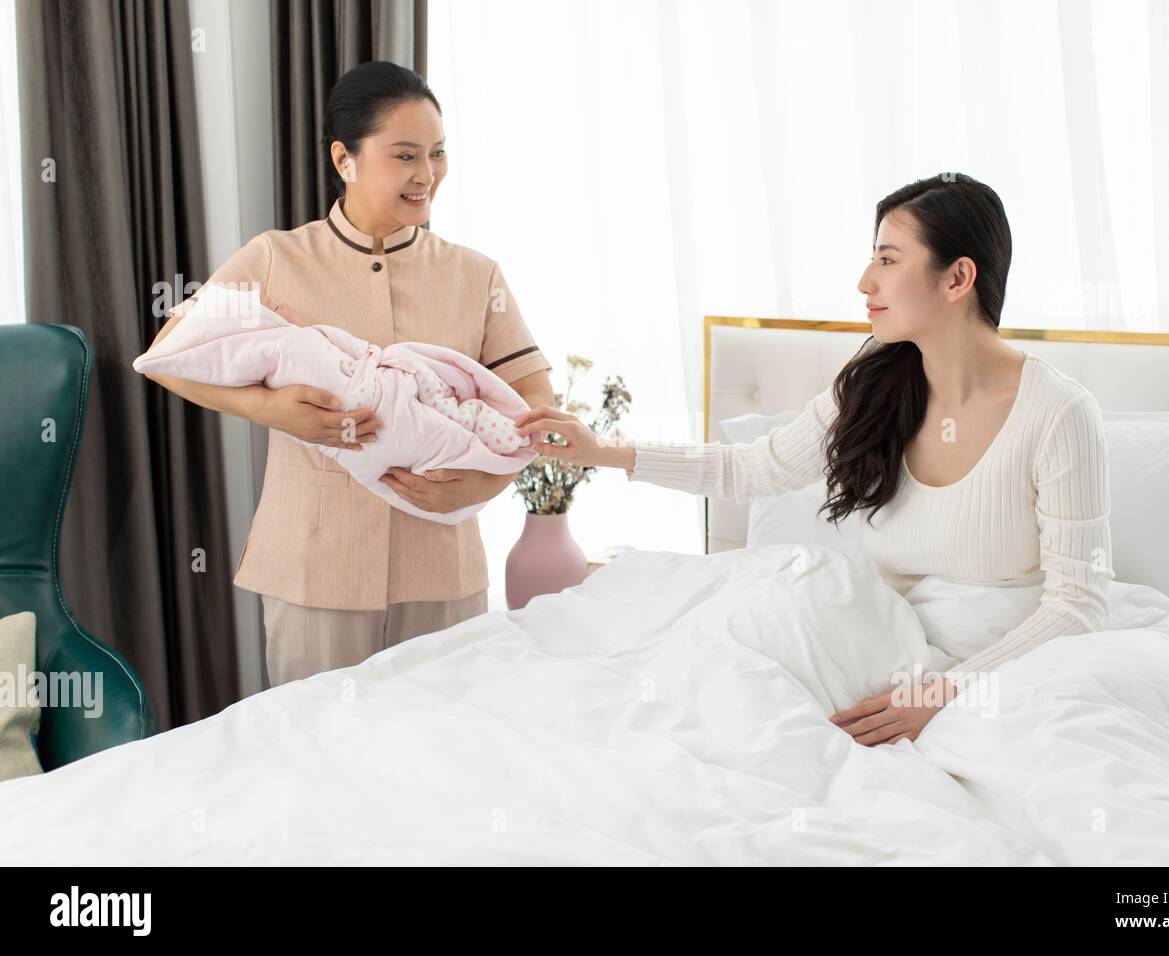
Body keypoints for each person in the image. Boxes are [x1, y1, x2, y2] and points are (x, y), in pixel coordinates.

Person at [513, 172, 1113, 748]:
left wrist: (943, 694)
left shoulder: (1058, 413)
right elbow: (750, 470)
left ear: (957, 278)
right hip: (886, 651)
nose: (864, 283)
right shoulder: (876, 386)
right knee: (713, 675)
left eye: (887, 259)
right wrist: (604, 452)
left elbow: (1078, 603)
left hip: (1002, 676)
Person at [144, 62, 554, 686]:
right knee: (318, 764)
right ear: (345, 160)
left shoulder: (477, 276)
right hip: (314, 568)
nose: (427, 175)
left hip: (442, 569)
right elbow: (168, 351)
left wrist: (485, 487)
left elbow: (536, 403)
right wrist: (268, 409)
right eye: (405, 155)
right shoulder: (276, 258)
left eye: (438, 154)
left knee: (446, 760)